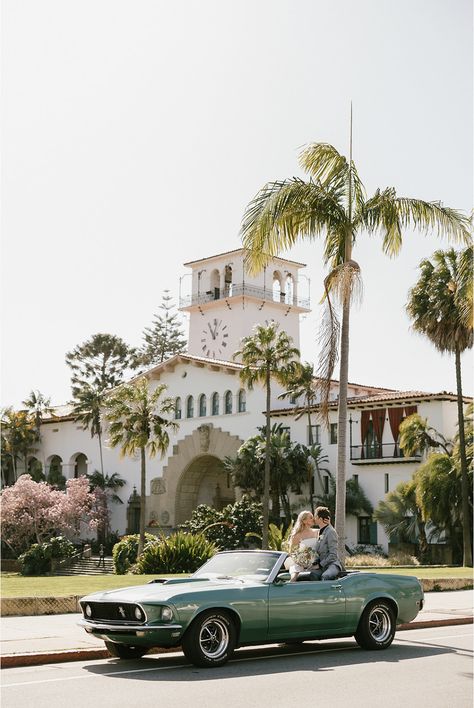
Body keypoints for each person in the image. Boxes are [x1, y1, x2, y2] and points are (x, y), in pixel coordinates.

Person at [309, 506, 343, 581]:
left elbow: (333, 555)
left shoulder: (331, 532)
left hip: (332, 565)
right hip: (322, 566)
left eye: (315, 516)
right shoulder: (320, 532)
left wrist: (320, 565)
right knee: (310, 574)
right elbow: (318, 551)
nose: (314, 518)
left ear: (320, 519)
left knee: (325, 576)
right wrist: (314, 562)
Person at [287, 510, 319, 582]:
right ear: (304, 521)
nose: (313, 519)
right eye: (311, 517)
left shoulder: (317, 532)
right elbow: (292, 552)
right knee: (294, 577)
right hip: (299, 563)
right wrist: (301, 561)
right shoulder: (296, 535)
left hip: (315, 562)